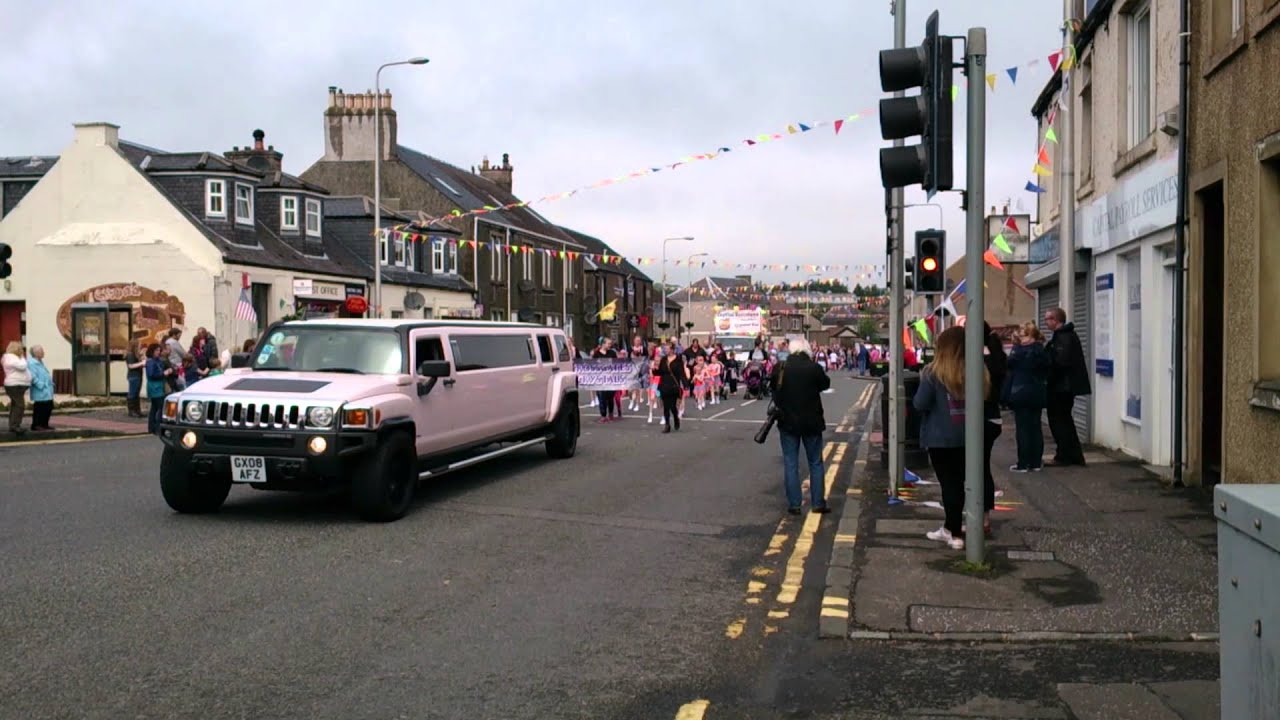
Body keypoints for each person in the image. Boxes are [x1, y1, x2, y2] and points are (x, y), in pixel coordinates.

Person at [913, 327, 990, 550]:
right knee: (962, 483)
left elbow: (919, 403)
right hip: (970, 435)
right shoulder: (977, 370)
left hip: (940, 437)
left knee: (950, 485)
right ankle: (951, 528)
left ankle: (954, 533)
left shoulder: (932, 373)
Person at [770, 337, 831, 515]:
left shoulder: (780, 368)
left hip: (787, 421)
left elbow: (773, 388)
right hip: (812, 421)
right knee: (815, 463)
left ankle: (795, 504)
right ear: (806, 350)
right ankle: (818, 503)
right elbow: (825, 384)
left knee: (791, 463)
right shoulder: (813, 368)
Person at [1043, 307, 1090, 466]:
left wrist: (1048, 378)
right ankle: (1073, 455)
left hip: (1061, 388)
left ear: (1055, 320)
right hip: (1064, 386)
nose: (1045, 322)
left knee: (1059, 421)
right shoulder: (1065, 336)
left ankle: (1064, 455)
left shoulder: (1063, 338)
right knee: (1065, 421)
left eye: (1047, 319)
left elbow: (1059, 363)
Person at [1003, 322, 1050, 472]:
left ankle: (1023, 463)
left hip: (1020, 392)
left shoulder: (1018, 352)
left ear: (1031, 336)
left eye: (1024, 335)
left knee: (1022, 429)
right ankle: (1036, 462)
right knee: (1036, 427)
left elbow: (1009, 364)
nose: (1022, 339)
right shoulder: (1041, 351)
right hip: (1037, 392)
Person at [980, 323, 1008, 537]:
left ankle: (979, 518)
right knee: (983, 468)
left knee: (975, 470)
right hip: (994, 418)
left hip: (981, 418)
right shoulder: (996, 354)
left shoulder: (981, 359)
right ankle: (984, 518)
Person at [654, 340, 688, 433]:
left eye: (667, 349)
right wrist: (655, 370)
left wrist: (685, 384)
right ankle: (667, 425)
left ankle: (676, 418)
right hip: (664, 384)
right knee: (666, 406)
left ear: (672, 350)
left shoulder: (678, 360)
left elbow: (682, 373)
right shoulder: (664, 359)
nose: (666, 350)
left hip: (674, 385)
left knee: (672, 406)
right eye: (665, 349)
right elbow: (660, 372)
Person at [2, 341, 31, 436]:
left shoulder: (12, 358)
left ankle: (13, 425)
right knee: (20, 405)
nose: (22, 350)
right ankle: (15, 426)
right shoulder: (11, 358)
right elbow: (23, 366)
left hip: (17, 384)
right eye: (21, 349)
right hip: (14, 385)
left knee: (15, 405)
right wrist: (22, 357)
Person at [145, 343, 174, 434]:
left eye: (159, 350)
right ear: (152, 351)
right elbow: (151, 374)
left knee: (154, 408)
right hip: (154, 387)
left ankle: (152, 428)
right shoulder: (150, 362)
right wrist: (164, 373)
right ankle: (157, 428)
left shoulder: (158, 361)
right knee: (160, 408)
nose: (158, 352)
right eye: (156, 350)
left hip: (159, 386)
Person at [27, 345, 55, 431]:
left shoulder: (40, 362)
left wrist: (51, 383)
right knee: (40, 407)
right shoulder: (31, 363)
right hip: (40, 389)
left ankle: (44, 424)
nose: (43, 352)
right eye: (41, 351)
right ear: (36, 353)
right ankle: (36, 425)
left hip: (46, 389)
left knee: (48, 406)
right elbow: (32, 376)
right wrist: (41, 385)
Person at [591, 338, 618, 423]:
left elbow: (617, 364)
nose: (610, 345)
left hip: (611, 379)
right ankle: (603, 415)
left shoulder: (612, 353)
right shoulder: (597, 354)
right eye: (608, 343)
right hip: (600, 379)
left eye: (610, 344)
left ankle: (610, 414)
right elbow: (592, 365)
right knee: (601, 397)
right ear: (603, 344)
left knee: (610, 397)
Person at [125, 339, 147, 417]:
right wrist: (141, 363)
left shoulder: (136, 354)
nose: (140, 346)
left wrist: (142, 356)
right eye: (139, 345)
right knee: (133, 393)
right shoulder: (130, 355)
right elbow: (131, 366)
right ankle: (132, 410)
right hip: (134, 376)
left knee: (136, 393)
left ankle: (137, 410)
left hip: (138, 375)